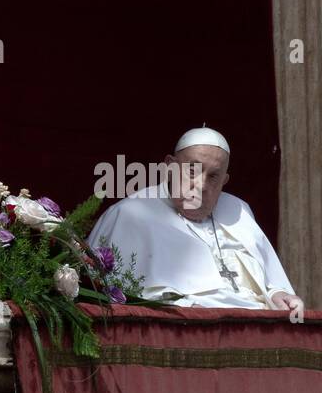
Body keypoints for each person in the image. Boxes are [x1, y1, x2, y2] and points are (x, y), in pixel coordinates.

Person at [88, 127, 302, 311]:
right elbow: (110, 295)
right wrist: (179, 306)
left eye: (213, 176)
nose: (201, 185)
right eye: (192, 170)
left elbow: (266, 282)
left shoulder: (239, 211)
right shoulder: (131, 214)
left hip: (254, 321)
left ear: (224, 181)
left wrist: (276, 293)